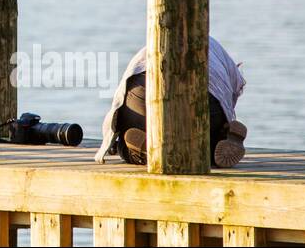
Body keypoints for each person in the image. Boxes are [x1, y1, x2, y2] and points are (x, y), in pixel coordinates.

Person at [95, 36, 246, 168]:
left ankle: (141, 149)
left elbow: (119, 101)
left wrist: (113, 139)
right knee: (202, 144)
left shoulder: (151, 44)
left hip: (142, 91)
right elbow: (233, 92)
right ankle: (218, 141)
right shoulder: (214, 47)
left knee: (124, 146)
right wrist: (225, 123)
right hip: (203, 95)